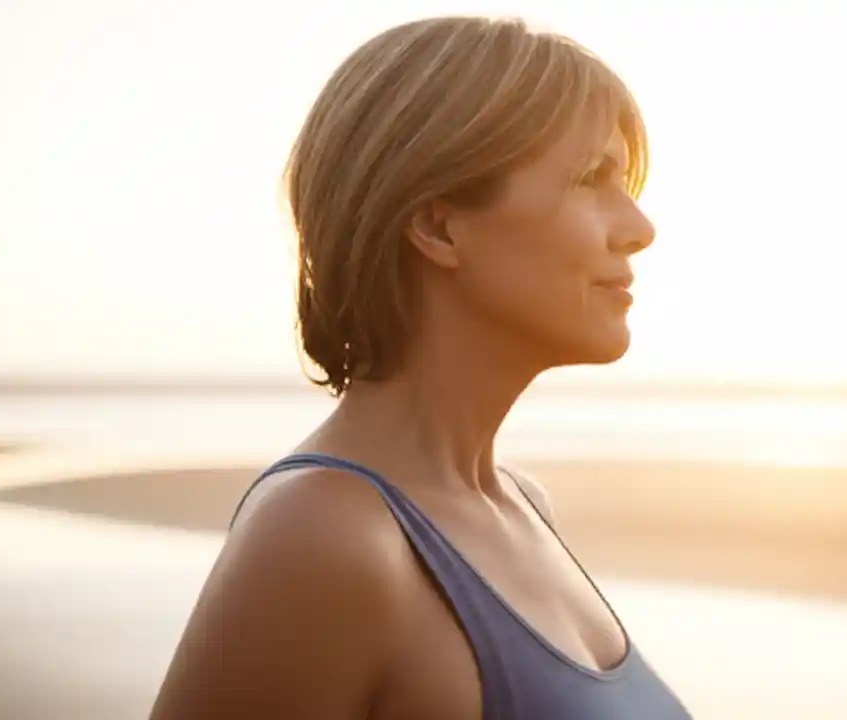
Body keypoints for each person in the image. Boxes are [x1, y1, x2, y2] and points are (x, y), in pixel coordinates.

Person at [150, 15, 689, 720]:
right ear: (437, 226)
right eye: (591, 179)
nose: (640, 229)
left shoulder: (524, 506)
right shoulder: (323, 536)